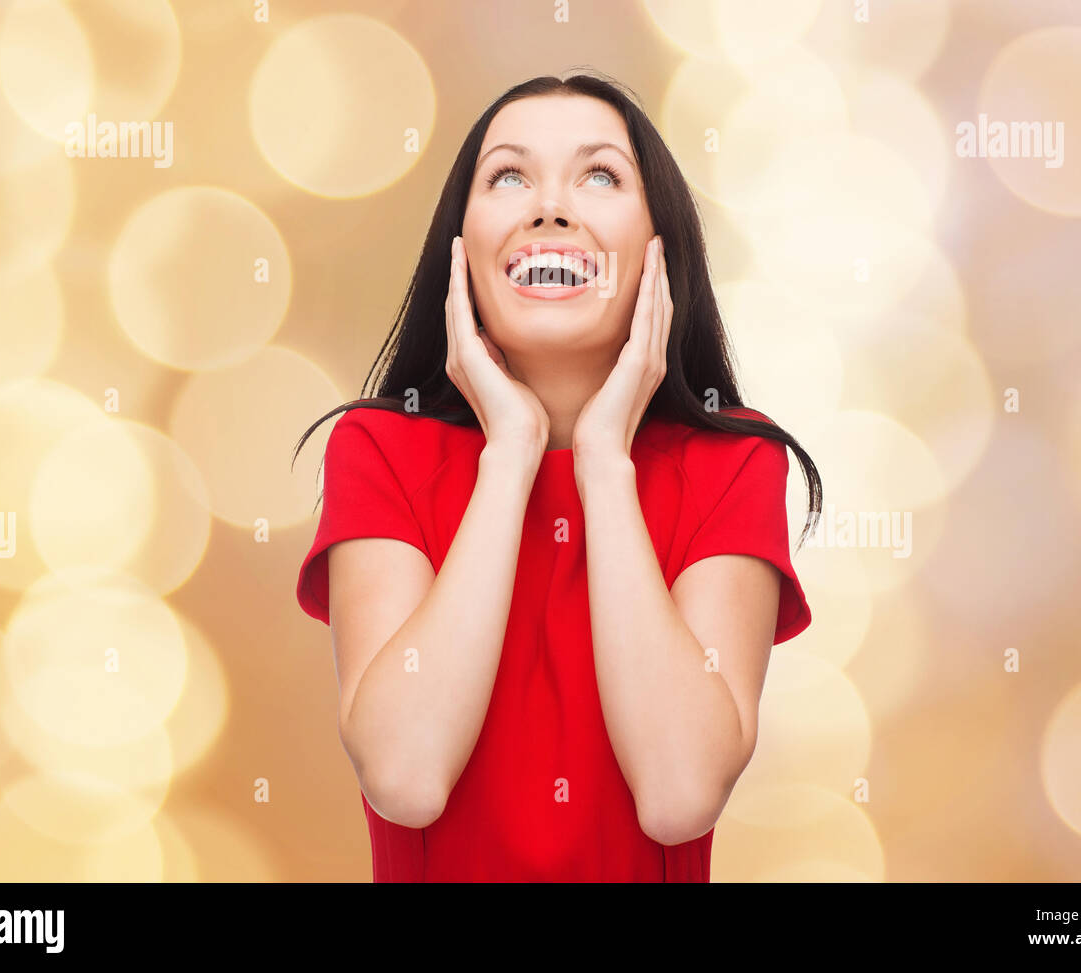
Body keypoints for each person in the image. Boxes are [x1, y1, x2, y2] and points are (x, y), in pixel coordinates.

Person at [293, 71, 821, 882]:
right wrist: (511, 449)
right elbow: (405, 775)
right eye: (509, 175)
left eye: (600, 175)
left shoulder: (734, 464)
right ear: (459, 248)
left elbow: (680, 793)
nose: (549, 207)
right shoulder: (379, 449)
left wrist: (605, 458)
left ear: (659, 247)